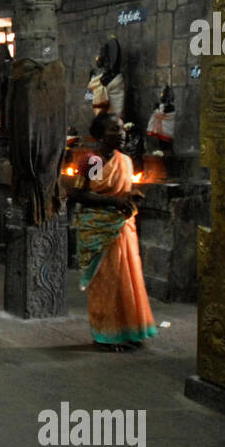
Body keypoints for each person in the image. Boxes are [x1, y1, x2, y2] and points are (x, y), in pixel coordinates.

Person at [67, 112, 156, 350]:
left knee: (127, 280)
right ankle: (105, 334)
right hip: (98, 229)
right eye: (114, 130)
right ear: (99, 136)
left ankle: (127, 330)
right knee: (106, 283)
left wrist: (128, 197)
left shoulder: (124, 161)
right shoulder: (94, 161)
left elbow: (116, 192)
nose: (121, 134)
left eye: (122, 129)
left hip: (121, 228)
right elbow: (82, 194)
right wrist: (114, 202)